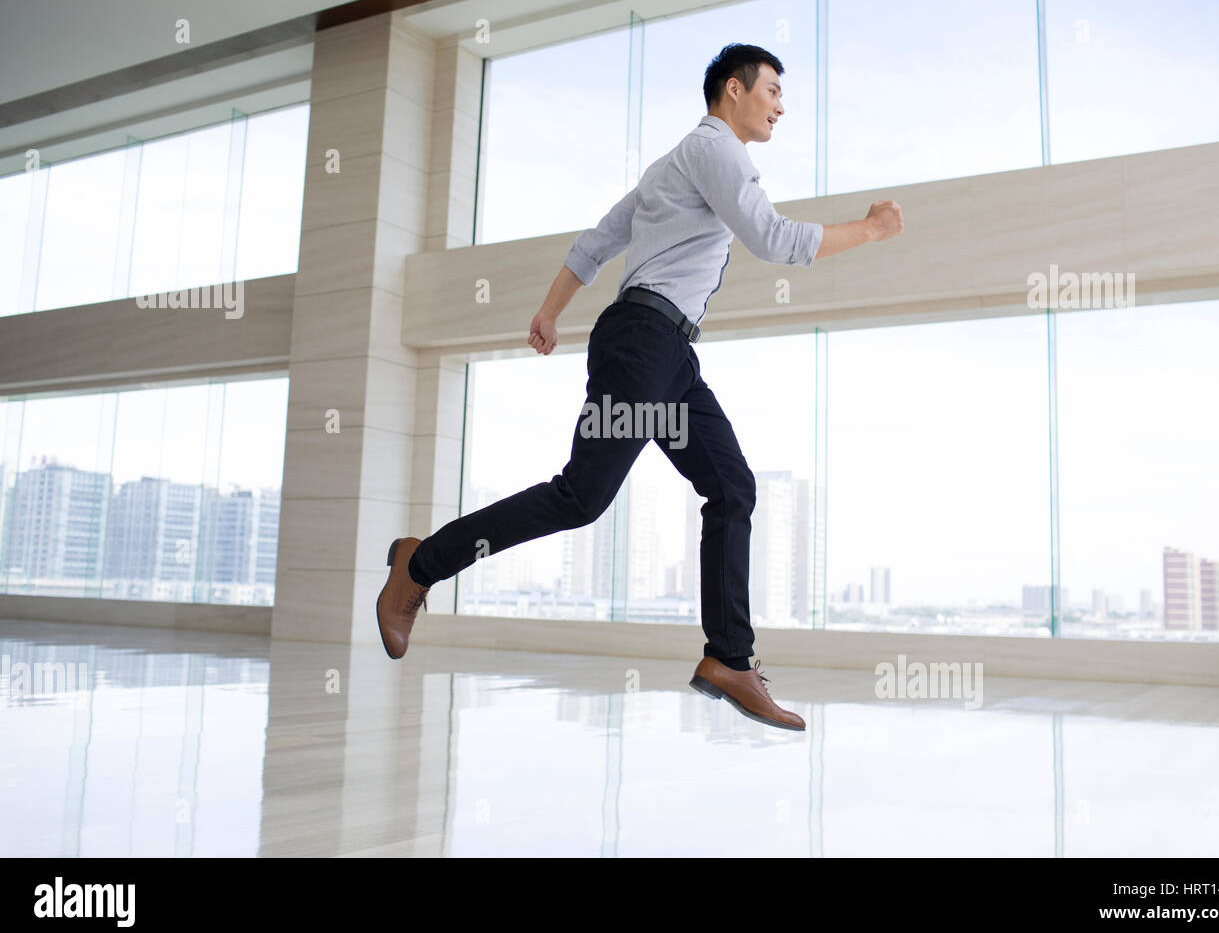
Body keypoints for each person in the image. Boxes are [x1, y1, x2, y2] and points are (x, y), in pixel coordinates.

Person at [377, 43, 904, 731]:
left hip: (666, 354)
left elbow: (595, 242)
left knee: (732, 485)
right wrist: (867, 230)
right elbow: (774, 240)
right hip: (644, 344)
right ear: (733, 90)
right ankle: (421, 565)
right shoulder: (717, 152)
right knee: (581, 496)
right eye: (772, 89)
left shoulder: (673, 166)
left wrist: (551, 310)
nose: (781, 105)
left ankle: (729, 658)